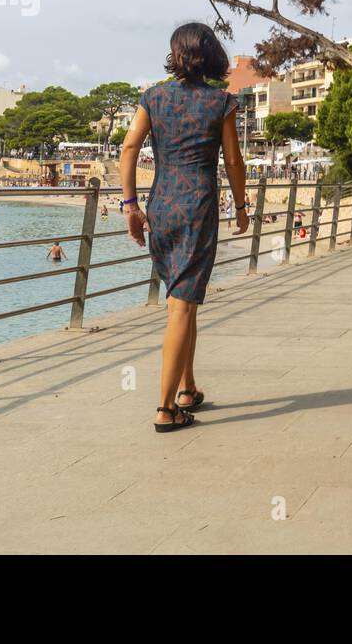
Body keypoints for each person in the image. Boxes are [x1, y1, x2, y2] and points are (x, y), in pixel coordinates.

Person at [120, 22, 249, 433]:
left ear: (176, 54)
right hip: (198, 207)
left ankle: (188, 389)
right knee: (182, 305)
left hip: (161, 206)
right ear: (211, 55)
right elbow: (232, 162)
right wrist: (242, 206)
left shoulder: (152, 97)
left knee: (184, 300)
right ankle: (164, 409)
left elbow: (129, 147)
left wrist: (130, 205)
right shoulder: (220, 103)